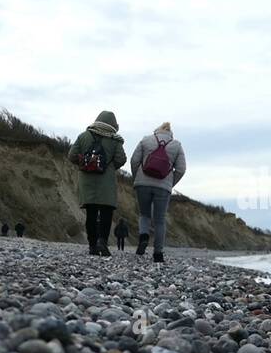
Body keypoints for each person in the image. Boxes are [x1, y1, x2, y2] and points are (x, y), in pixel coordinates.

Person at [67, 111, 127, 256]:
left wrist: (84, 163)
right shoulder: (115, 139)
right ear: (113, 124)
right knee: (106, 212)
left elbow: (71, 155)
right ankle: (102, 242)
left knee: (91, 213)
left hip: (87, 180)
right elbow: (121, 159)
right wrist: (110, 166)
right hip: (106, 181)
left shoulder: (84, 136)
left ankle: (92, 246)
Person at [130, 121, 186, 263]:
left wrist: (136, 176)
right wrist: (170, 183)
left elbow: (134, 160)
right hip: (163, 187)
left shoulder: (146, 140)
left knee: (144, 214)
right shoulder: (176, 145)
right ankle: (158, 254)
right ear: (170, 133)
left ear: (157, 130)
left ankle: (143, 236)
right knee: (160, 220)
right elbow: (181, 169)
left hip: (142, 183)